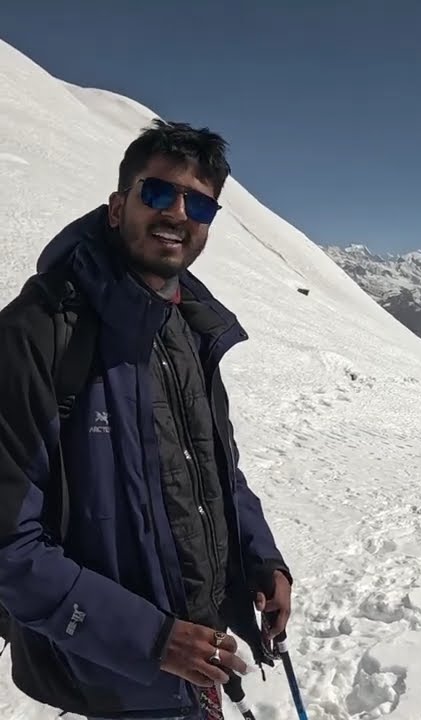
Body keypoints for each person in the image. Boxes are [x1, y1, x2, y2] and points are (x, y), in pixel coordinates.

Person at [0, 120, 293, 720]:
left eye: (200, 204)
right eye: (158, 193)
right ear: (117, 206)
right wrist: (153, 640)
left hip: (192, 663)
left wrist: (262, 560)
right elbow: (8, 542)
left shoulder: (189, 328)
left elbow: (218, 474)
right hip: (112, 676)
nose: (177, 213)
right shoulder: (37, 333)